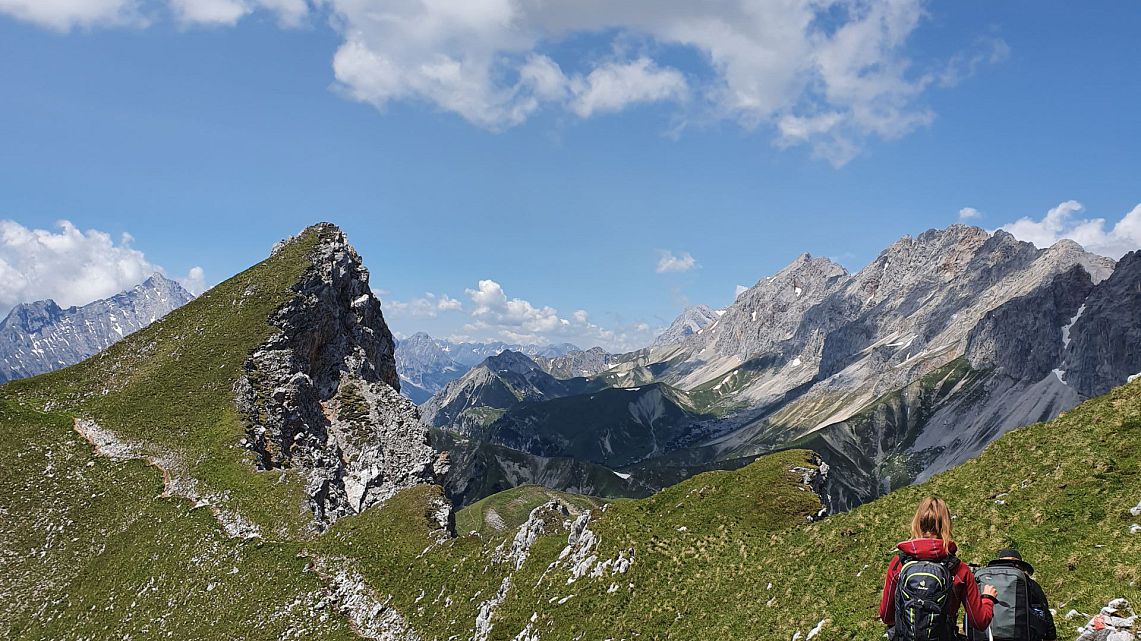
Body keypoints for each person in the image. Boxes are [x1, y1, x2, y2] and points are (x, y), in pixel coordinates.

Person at [880, 497, 998, 640]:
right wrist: (988, 598)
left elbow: (887, 616)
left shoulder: (898, 564)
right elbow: (979, 622)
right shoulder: (959, 569)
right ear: (946, 525)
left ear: (917, 523)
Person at [983, 549, 1057, 641]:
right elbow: (1043, 610)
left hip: (986, 634)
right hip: (1021, 635)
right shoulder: (1029, 583)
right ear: (1020, 566)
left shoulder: (984, 581)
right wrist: (1051, 635)